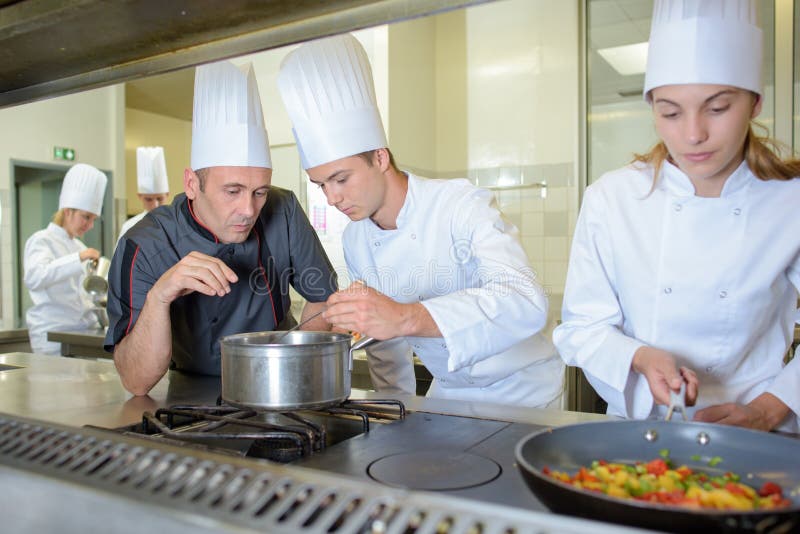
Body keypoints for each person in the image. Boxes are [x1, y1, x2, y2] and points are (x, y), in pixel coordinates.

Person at [278, 34, 565, 407]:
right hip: (449, 394)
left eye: (341, 179)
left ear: (380, 158)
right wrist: (393, 408)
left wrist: (406, 317)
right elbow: (385, 341)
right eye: (321, 185)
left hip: (525, 392)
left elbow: (524, 300)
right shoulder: (356, 238)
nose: (332, 198)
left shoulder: (461, 205)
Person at [553, 0, 800, 432]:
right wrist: (640, 357)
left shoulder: (789, 200)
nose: (693, 134)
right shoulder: (613, 198)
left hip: (761, 435)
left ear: (755, 102)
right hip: (638, 432)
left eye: (717, 108)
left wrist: (769, 408)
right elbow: (581, 329)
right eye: (670, 112)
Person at [105, 60, 336, 396]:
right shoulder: (144, 244)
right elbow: (136, 381)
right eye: (232, 191)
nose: (249, 210)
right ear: (191, 184)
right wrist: (160, 297)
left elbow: (323, 299)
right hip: (187, 393)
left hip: (276, 384)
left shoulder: (283, 210)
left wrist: (291, 367)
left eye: (259, 192)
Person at [24, 163, 107, 355]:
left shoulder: (80, 247)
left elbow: (85, 295)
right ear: (68, 211)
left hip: (81, 334)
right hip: (52, 337)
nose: (90, 225)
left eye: (93, 219)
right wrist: (78, 259)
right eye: (86, 217)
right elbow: (35, 278)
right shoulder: (41, 240)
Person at [117, 146, 170, 243]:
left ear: (167, 195)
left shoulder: (178, 225)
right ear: (139, 196)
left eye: (159, 198)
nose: (155, 205)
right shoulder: (130, 227)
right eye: (149, 199)